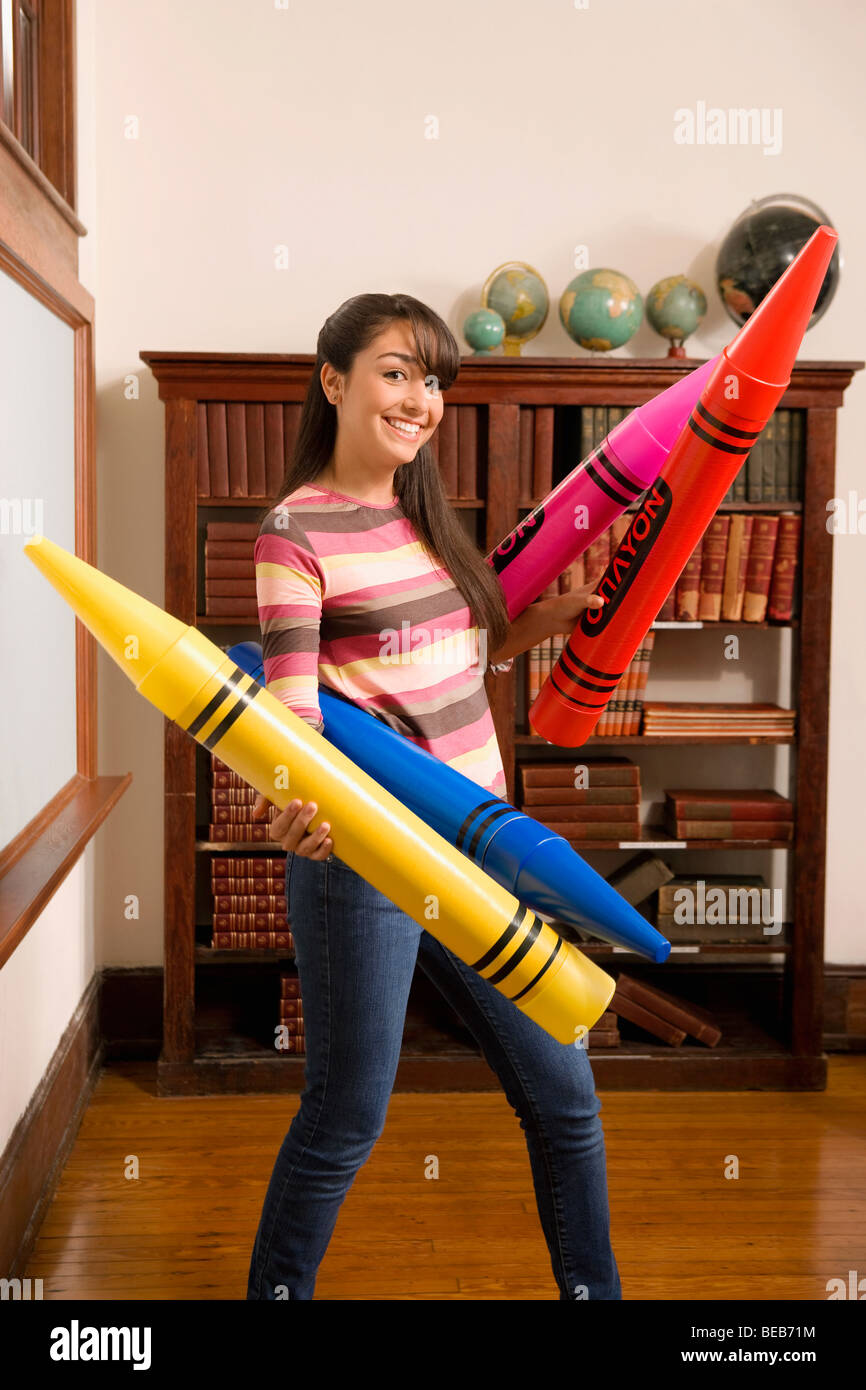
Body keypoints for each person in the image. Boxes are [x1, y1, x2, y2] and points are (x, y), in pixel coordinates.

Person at [245, 291, 621, 1301]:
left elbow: (445, 658)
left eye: (434, 379)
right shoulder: (294, 531)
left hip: (478, 852)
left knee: (564, 1100)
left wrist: (543, 619)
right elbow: (290, 710)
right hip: (366, 862)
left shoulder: (421, 519)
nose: (420, 398)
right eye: (397, 372)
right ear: (333, 382)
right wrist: (291, 800)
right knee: (346, 1115)